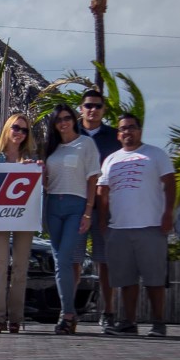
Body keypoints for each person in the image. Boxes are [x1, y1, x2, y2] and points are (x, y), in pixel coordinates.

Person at [99, 114, 176, 337]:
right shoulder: (111, 159)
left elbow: (170, 183)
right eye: (123, 129)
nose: (127, 132)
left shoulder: (156, 154)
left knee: (154, 278)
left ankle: (158, 323)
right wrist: (103, 221)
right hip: (119, 228)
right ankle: (129, 322)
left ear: (139, 131)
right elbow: (102, 192)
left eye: (131, 128)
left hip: (151, 226)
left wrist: (168, 213)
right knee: (126, 279)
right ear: (118, 134)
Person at [44, 103, 100, 334]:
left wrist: (88, 211)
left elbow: (92, 179)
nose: (64, 122)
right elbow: (46, 182)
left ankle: (67, 314)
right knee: (60, 262)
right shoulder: (52, 148)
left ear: (74, 119)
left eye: (67, 118)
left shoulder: (86, 144)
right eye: (59, 120)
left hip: (76, 206)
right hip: (53, 205)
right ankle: (67, 312)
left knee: (66, 259)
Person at [0, 113, 40, 333]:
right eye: (16, 128)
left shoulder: (31, 157)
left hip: (23, 217)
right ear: (7, 128)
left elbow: (40, 188)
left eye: (24, 130)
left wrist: (36, 169)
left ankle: (16, 318)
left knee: (20, 267)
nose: (19, 133)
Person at [74, 89, 122, 330]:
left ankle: (108, 311)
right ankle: (69, 312)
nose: (92, 110)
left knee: (105, 261)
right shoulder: (69, 133)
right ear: (81, 108)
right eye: (88, 105)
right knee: (73, 260)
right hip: (75, 204)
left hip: (104, 206)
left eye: (97, 106)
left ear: (103, 110)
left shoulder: (115, 137)